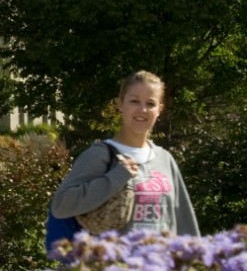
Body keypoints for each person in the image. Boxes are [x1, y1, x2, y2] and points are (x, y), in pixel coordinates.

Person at [50, 71, 199, 238]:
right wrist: (116, 177)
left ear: (160, 110)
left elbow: (184, 223)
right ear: (120, 104)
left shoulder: (165, 159)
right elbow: (61, 205)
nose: (142, 109)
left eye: (150, 103)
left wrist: (195, 259)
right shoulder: (100, 155)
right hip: (115, 263)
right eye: (134, 101)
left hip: (161, 263)